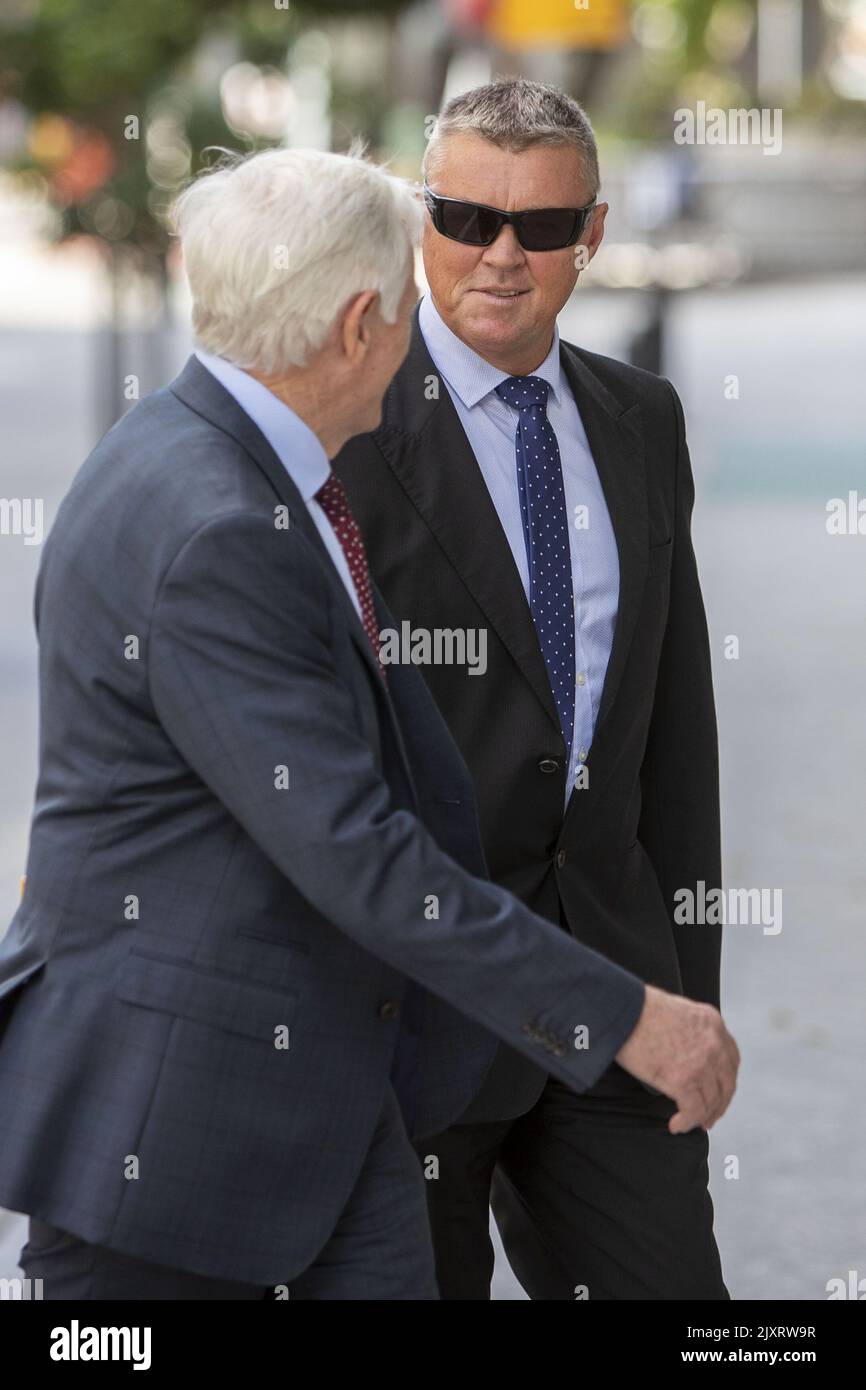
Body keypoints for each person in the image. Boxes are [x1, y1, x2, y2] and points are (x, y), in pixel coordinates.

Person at [0, 145, 737, 1301]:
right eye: (406, 305)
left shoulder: (203, 457)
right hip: (180, 1130)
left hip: (322, 1110)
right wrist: (624, 1013)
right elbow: (352, 846)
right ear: (358, 327)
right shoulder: (219, 526)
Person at [335, 79, 731, 1300]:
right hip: (420, 1014)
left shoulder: (639, 420)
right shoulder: (346, 428)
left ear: (592, 236)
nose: (501, 255)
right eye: (465, 218)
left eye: (543, 228)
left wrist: (686, 1003)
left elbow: (674, 738)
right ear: (420, 219)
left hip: (614, 1002)